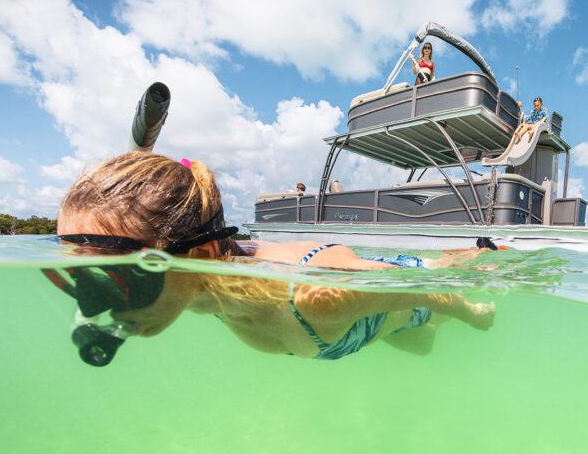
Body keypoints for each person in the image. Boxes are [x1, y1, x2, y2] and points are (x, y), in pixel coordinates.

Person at [52, 152, 495, 361]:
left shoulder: (318, 294)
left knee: (423, 301)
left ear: (205, 254)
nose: (93, 302)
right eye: (82, 275)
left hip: (363, 296)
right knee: (417, 345)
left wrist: (474, 313)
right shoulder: (194, 280)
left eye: (113, 280)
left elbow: (430, 290)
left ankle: (471, 261)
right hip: (337, 332)